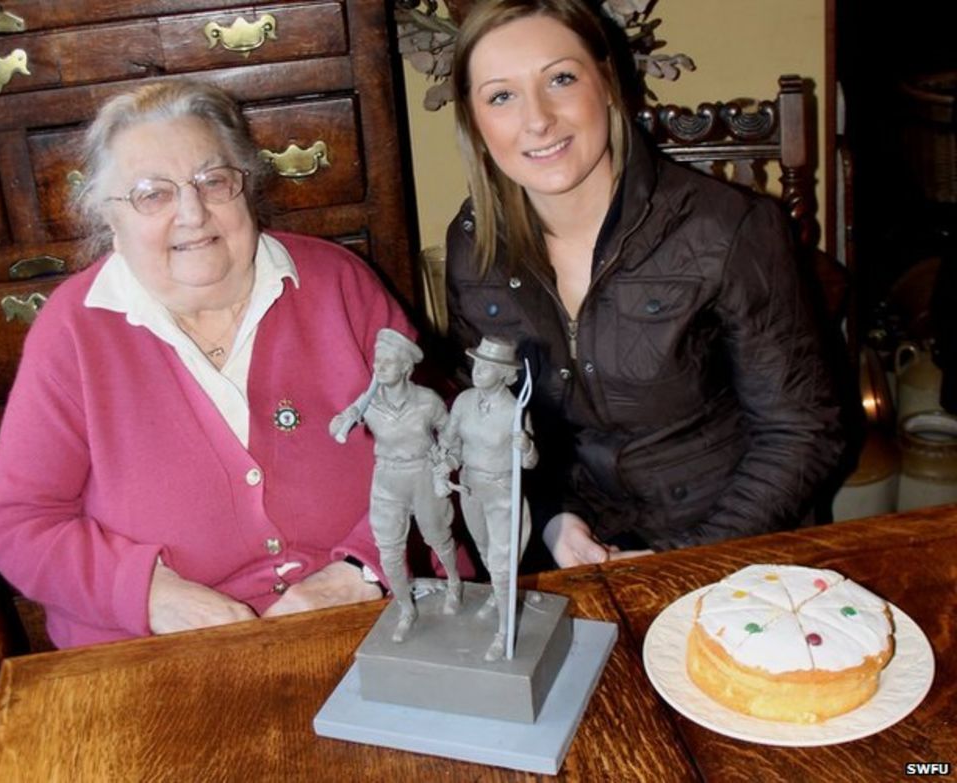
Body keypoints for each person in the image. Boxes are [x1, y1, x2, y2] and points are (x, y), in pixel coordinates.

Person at [0, 80, 412, 648]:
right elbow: (20, 523)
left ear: (246, 188)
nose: (192, 212)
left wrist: (363, 571)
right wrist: (150, 594)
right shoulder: (74, 330)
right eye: (150, 194)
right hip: (156, 653)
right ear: (110, 218)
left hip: (366, 620)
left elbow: (433, 453)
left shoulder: (338, 284)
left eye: (214, 181)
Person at [444, 0, 844, 568]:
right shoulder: (473, 245)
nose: (537, 119)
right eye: (501, 96)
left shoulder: (727, 230)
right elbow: (487, 425)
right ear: (475, 123)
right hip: (567, 554)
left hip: (730, 548)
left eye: (560, 78)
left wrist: (678, 559)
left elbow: (802, 431)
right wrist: (551, 518)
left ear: (606, 83)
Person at [329, 328, 463, 642]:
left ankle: (455, 584)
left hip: (422, 475)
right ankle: (406, 609)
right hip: (387, 480)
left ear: (406, 367)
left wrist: (447, 462)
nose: (380, 367)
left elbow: (451, 436)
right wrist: (344, 419)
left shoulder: (427, 401)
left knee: (438, 538)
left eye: (389, 362)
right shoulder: (368, 403)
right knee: (388, 551)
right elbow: (336, 426)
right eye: (378, 361)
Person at [436, 336, 538, 660]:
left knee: (501, 564)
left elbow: (531, 463)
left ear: (506, 374)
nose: (479, 370)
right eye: (478, 362)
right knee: (482, 547)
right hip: (471, 489)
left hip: (502, 495)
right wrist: (445, 465)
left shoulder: (515, 411)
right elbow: (451, 445)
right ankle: (497, 595)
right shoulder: (464, 401)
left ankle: (504, 632)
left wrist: (528, 448)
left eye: (488, 366)